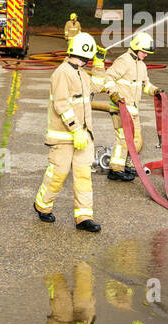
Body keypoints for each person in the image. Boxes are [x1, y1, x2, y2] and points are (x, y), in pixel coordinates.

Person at [33, 32, 107, 232]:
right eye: (90, 57)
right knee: (58, 174)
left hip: (84, 137)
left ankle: (84, 217)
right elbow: (61, 105)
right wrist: (76, 129)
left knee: (84, 177)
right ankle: (42, 206)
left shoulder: (82, 74)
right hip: (64, 137)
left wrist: (99, 66)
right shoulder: (61, 73)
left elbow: (98, 87)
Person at [102, 32, 159, 181]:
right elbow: (108, 77)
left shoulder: (141, 65)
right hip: (120, 108)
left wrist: (156, 91)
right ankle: (115, 170)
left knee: (136, 140)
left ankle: (126, 165)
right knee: (122, 139)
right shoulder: (124, 61)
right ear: (136, 48)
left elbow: (145, 85)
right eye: (144, 52)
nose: (146, 55)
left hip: (133, 110)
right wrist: (114, 94)